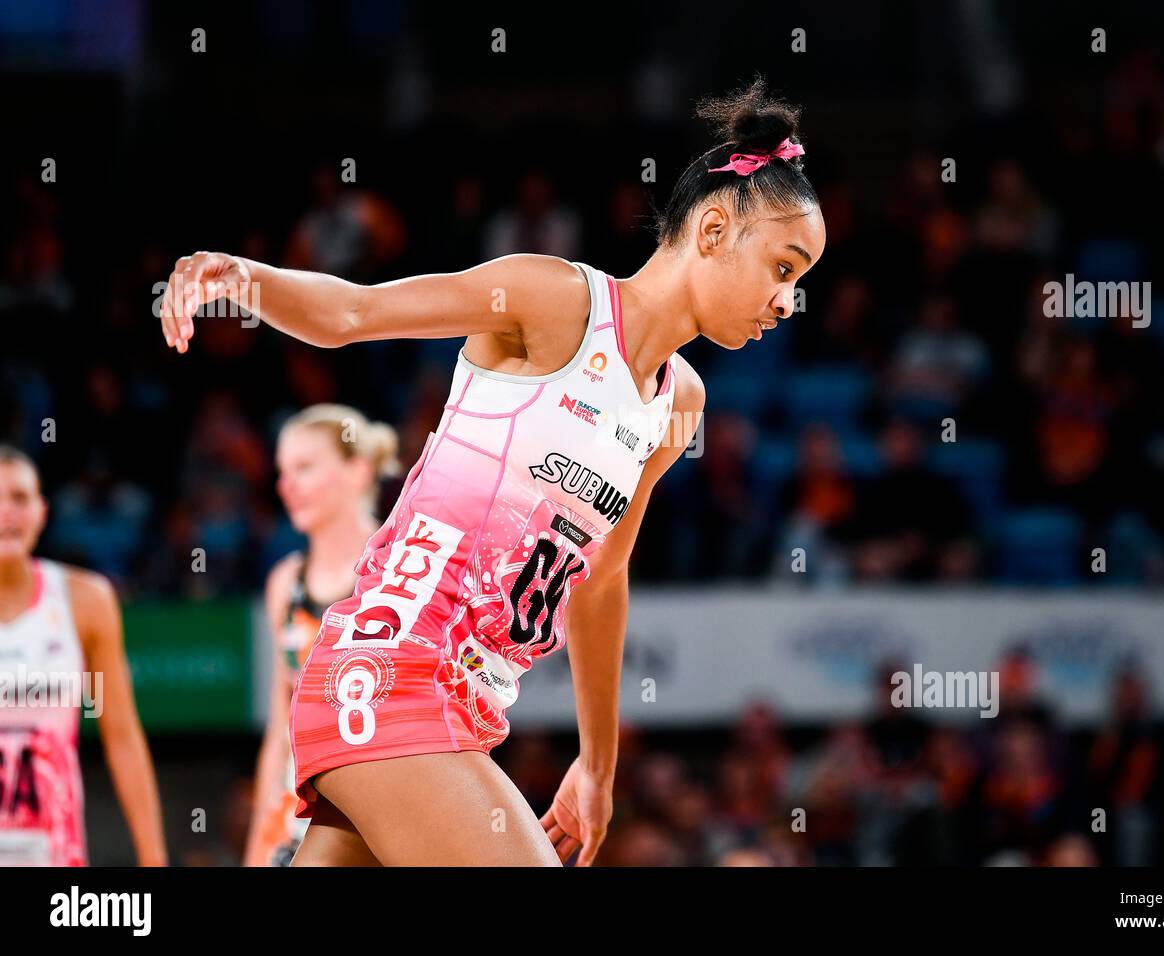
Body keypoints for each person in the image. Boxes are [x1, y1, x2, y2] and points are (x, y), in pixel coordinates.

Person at [158, 76, 825, 865]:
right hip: (391, 668)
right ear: (713, 229)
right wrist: (243, 278)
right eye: (784, 267)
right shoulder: (556, 302)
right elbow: (353, 313)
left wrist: (596, 766)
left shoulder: (680, 402)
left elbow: (602, 581)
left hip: (465, 708)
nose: (789, 301)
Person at [243, 405, 400, 866]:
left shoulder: (397, 568)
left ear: (358, 471)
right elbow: (279, 730)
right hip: (297, 813)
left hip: (384, 806)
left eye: (305, 467)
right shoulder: (284, 583)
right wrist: (258, 842)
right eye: (282, 471)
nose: (286, 485)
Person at [0, 446, 167, 866]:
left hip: (55, 854)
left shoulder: (85, 600)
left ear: (43, 511)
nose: (7, 513)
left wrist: (153, 858)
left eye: (19, 498)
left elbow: (123, 739)